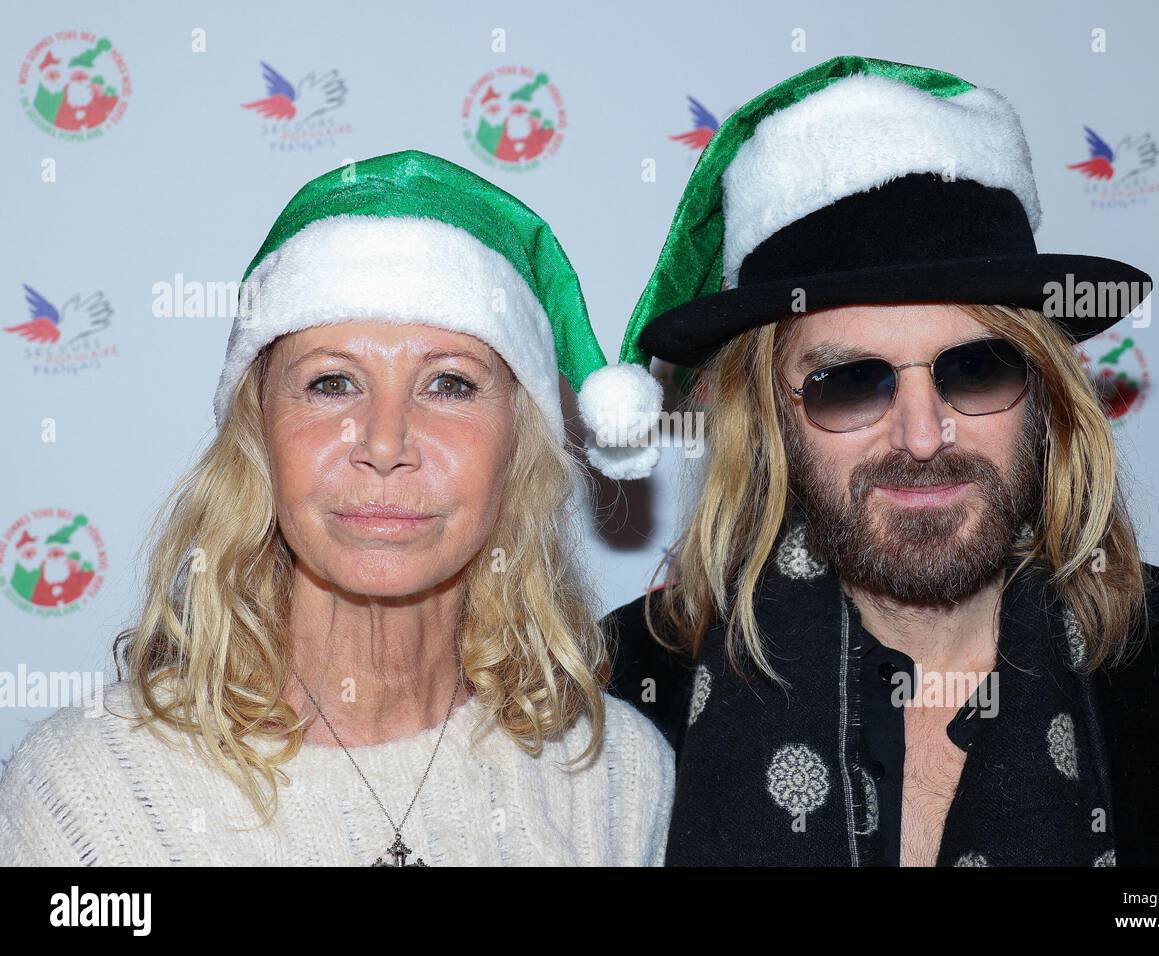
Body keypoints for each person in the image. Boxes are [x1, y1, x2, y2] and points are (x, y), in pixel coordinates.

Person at [603, 55, 1159, 866]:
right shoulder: (618, 703)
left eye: (976, 368)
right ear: (765, 421)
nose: (923, 435)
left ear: (1049, 397)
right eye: (848, 382)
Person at [0, 149, 673, 866]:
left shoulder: (617, 780)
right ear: (259, 436)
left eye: (448, 384)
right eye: (330, 384)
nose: (384, 443)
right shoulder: (84, 796)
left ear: (520, 443)